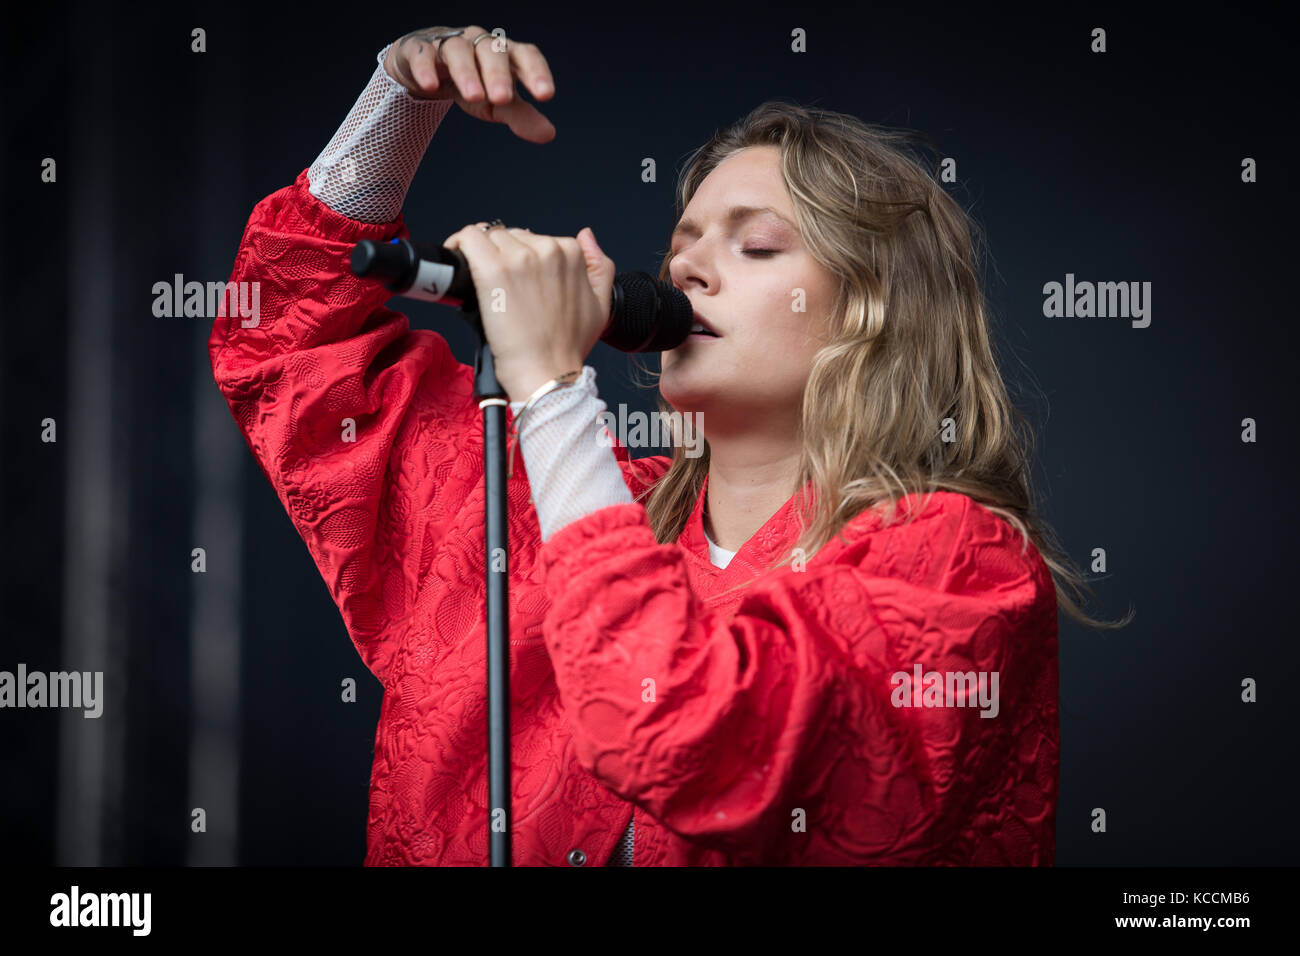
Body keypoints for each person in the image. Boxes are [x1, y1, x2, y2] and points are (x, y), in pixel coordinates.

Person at [209, 24, 1124, 866]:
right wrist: (399, 105)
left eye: (757, 246)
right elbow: (283, 342)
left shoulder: (955, 564)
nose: (684, 267)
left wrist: (554, 393)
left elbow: (695, 735)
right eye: (682, 244)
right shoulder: (515, 509)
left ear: (874, 316)